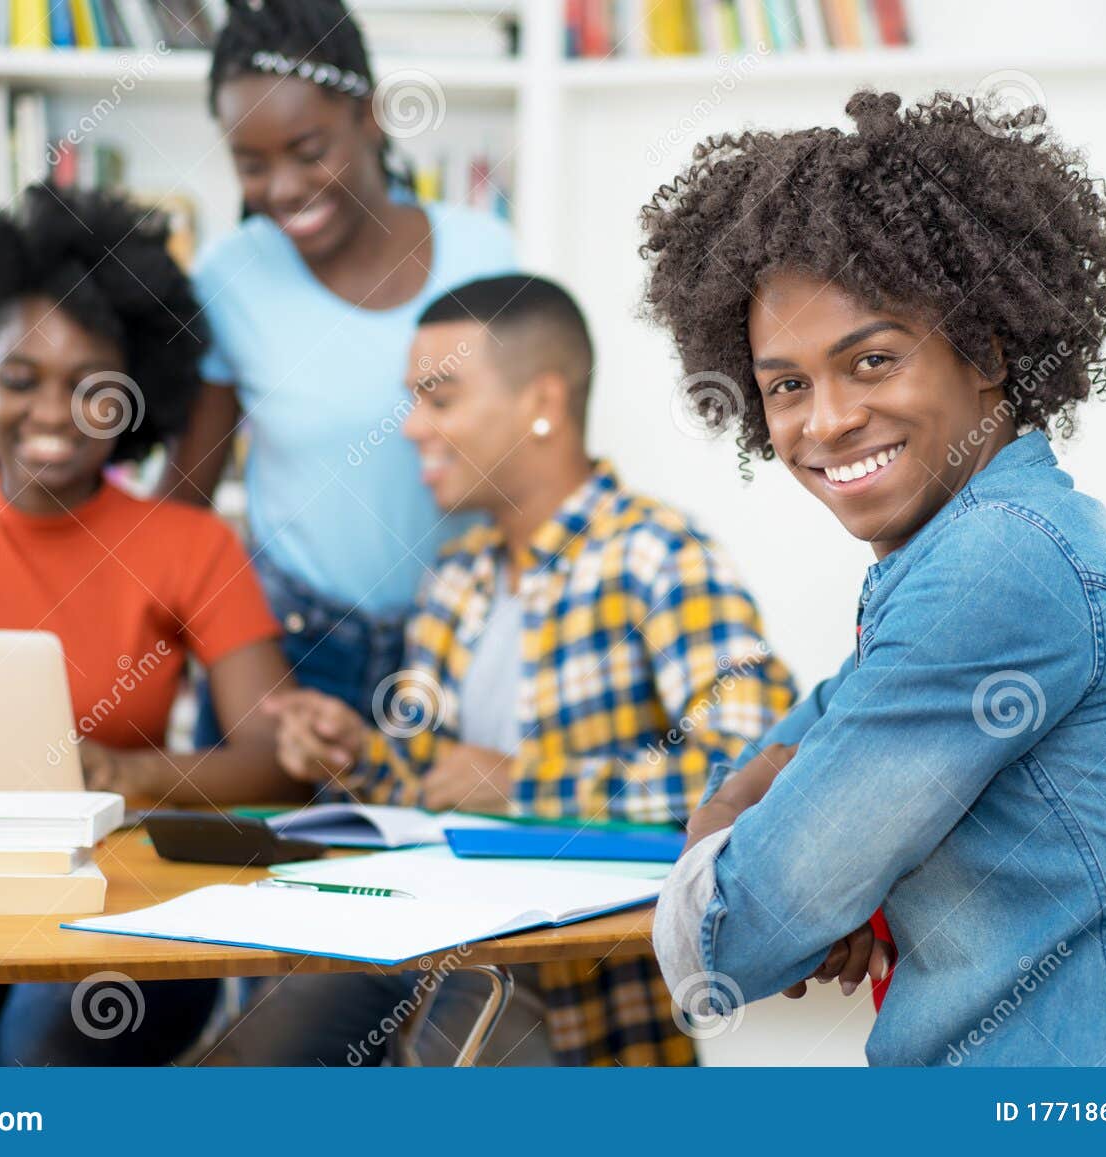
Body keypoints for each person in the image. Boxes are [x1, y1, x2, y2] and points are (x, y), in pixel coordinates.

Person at [642, 90, 1106, 1066]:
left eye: (871, 360)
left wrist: (755, 839)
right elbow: (782, 792)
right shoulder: (960, 552)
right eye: (787, 385)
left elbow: (733, 939)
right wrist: (761, 827)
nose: (827, 420)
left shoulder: (1001, 564)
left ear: (985, 351)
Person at [205, 275, 798, 1066]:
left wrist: (519, 783)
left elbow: (760, 773)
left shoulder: (659, 555)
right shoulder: (457, 575)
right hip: (429, 931)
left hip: (567, 982)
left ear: (540, 403)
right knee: (246, 1056)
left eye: (439, 398)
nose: (411, 426)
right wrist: (355, 752)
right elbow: (441, 779)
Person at [0, 185, 292, 1066]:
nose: (53, 413)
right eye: (19, 379)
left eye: (90, 386)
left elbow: (278, 759)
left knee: (48, 1040)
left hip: (122, 899)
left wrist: (123, 771)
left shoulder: (191, 544)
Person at [164, 0, 518, 737]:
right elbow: (186, 498)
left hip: (454, 648)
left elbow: (529, 463)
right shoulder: (230, 277)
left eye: (308, 150)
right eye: (251, 164)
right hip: (290, 653)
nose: (283, 188)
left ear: (370, 117)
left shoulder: (485, 253)